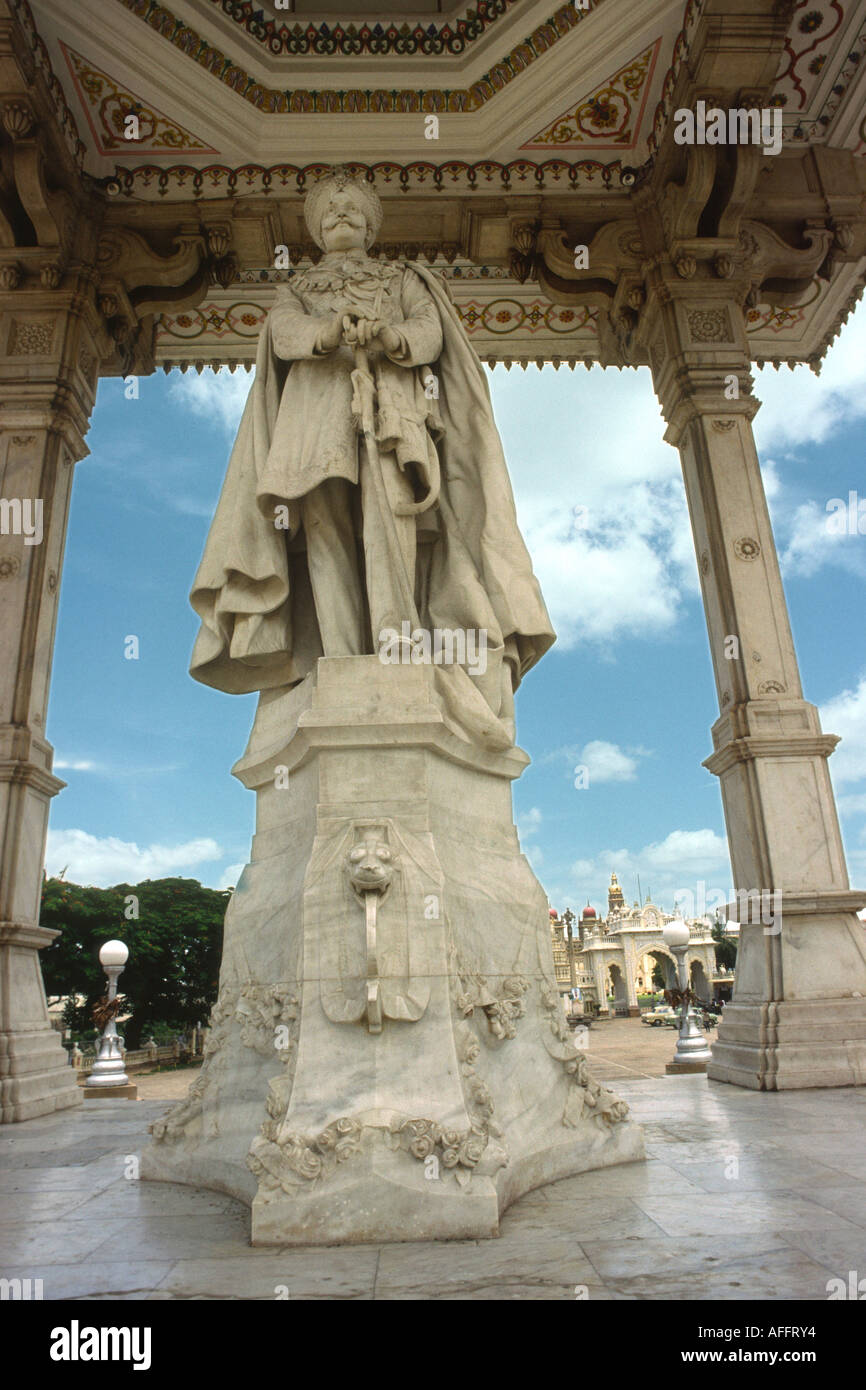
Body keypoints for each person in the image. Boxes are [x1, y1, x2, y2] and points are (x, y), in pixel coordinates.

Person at [188, 169, 554, 749]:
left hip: (392, 418)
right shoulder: (297, 287)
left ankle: (396, 641)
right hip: (313, 425)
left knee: (392, 523)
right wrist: (329, 332)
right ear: (316, 229)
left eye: (352, 210)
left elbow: (429, 333)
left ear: (370, 225)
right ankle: (339, 654)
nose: (341, 216)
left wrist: (389, 337)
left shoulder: (401, 278)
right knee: (325, 533)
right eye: (330, 212)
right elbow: (284, 333)